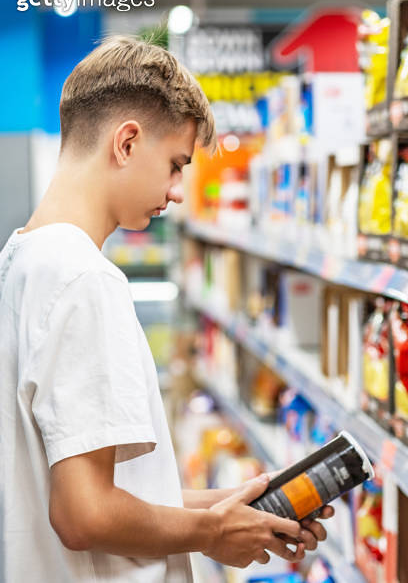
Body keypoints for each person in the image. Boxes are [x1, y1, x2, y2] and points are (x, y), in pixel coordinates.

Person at [0, 35, 334, 582]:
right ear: (127, 142)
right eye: (176, 164)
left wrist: (228, 507)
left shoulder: (22, 258)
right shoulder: (84, 277)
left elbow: (93, 489)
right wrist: (212, 534)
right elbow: (83, 515)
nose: (179, 190)